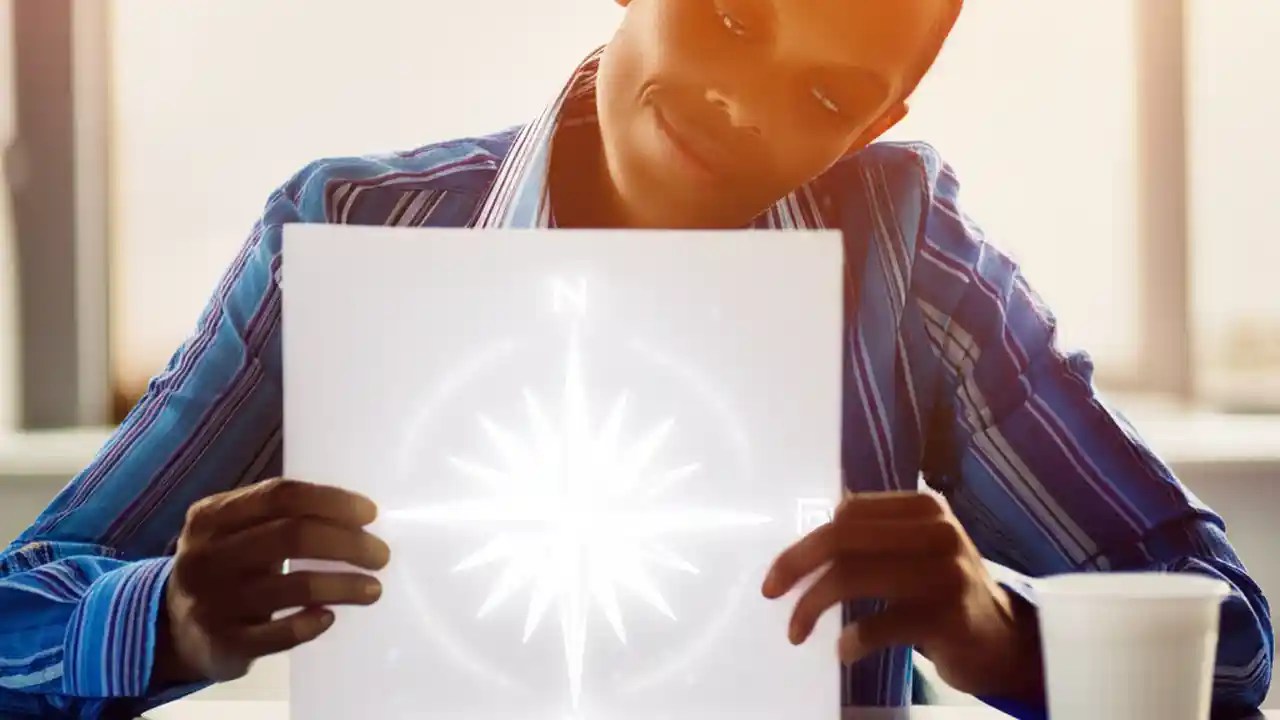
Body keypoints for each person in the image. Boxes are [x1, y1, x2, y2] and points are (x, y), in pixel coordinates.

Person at [1, 0, 1273, 717]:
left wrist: (1000, 632)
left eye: (828, 100)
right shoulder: (338, 238)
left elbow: (1226, 641)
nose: (746, 101)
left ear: (879, 121)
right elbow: (19, 612)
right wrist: (158, 616)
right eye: (728, 14)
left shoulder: (907, 260)